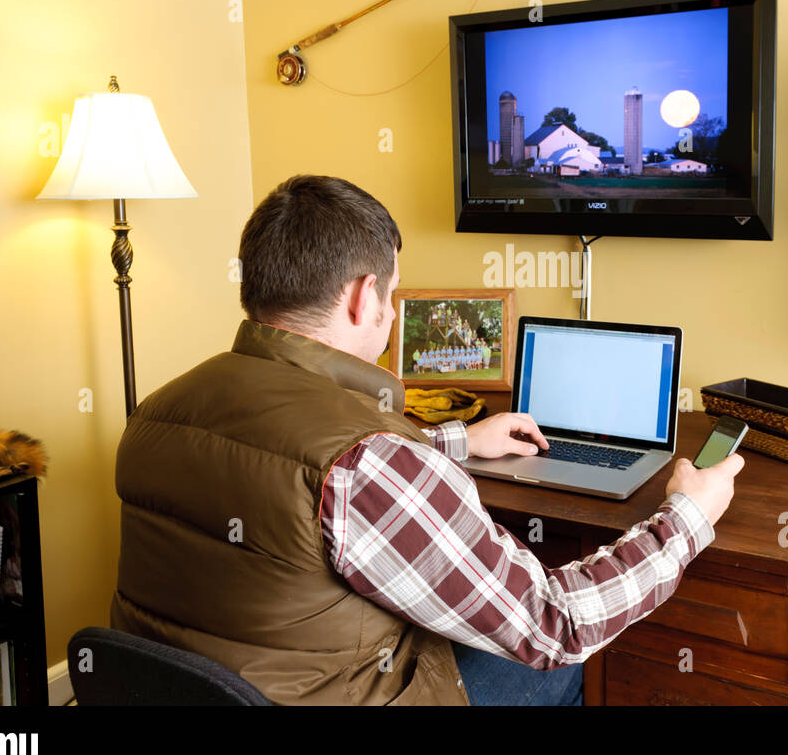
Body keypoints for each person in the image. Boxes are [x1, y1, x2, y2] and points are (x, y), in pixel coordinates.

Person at [111, 174, 742, 706]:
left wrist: (459, 442)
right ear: (363, 297)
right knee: (556, 667)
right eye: (390, 293)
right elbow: (556, 624)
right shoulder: (370, 464)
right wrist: (684, 517)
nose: (390, 313)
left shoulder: (157, 411)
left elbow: (293, 468)